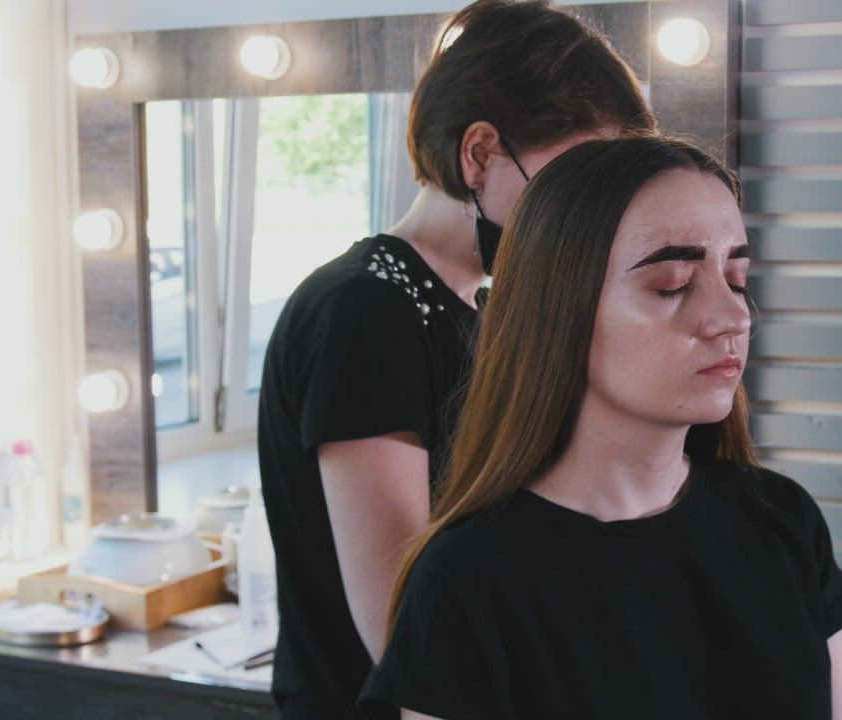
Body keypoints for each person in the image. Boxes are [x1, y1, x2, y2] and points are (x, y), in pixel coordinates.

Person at [359, 135, 842, 720]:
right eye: (671, 284)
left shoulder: (783, 521)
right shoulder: (468, 580)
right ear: (558, 309)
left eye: (736, 277)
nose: (733, 317)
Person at [256, 1, 655, 716]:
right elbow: (401, 624)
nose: (584, 217)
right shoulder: (364, 311)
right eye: (567, 184)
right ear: (478, 154)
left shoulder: (483, 305)